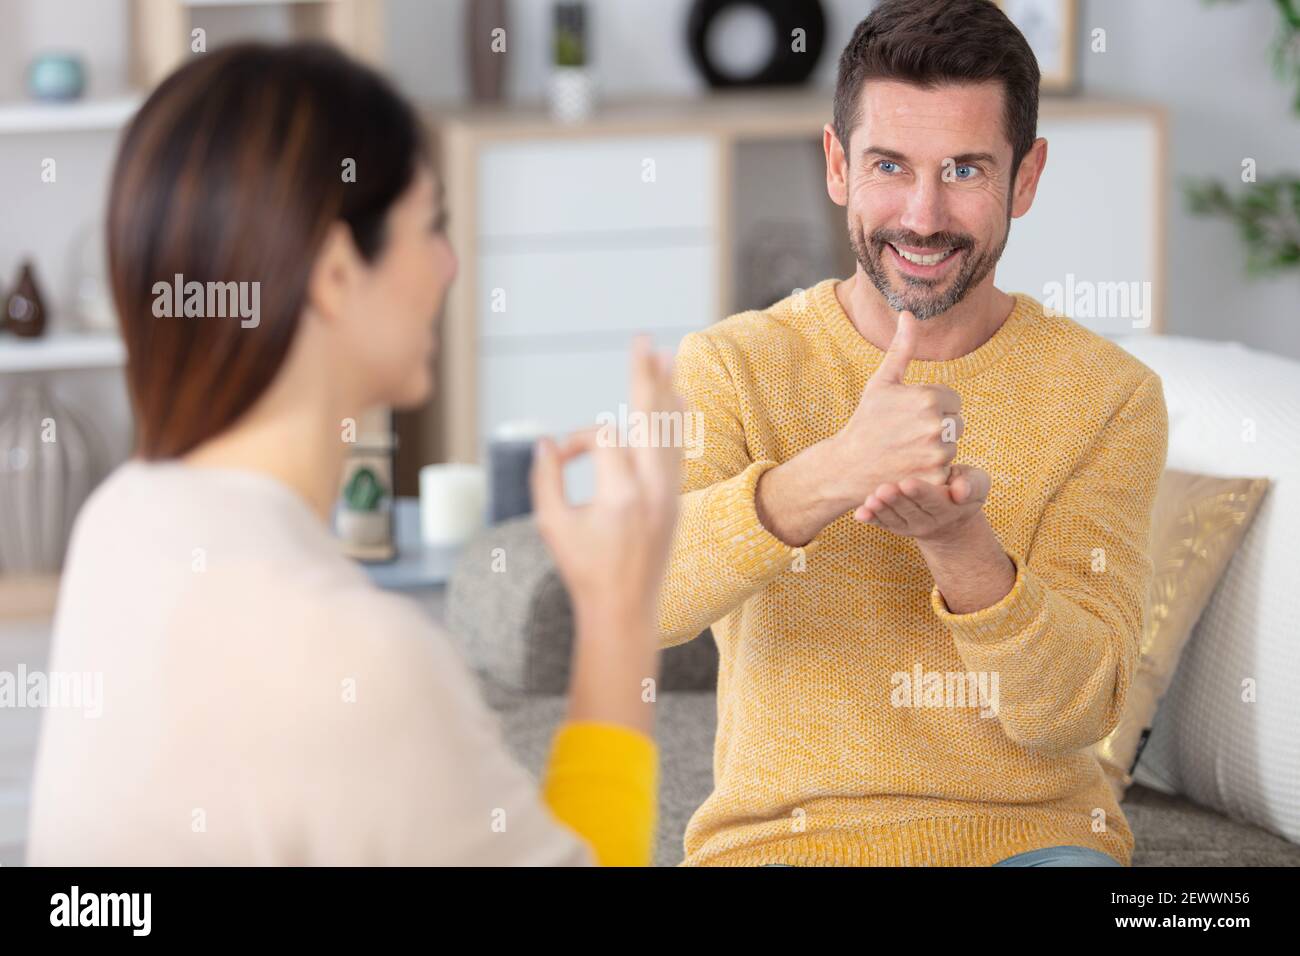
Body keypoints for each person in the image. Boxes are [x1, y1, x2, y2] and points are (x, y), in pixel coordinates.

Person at [27, 42, 682, 866]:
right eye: (431, 225)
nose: (448, 266)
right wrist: (621, 607)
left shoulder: (121, 518)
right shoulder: (360, 660)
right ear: (335, 273)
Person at [658, 0, 1166, 867]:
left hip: (1033, 842)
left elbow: (1075, 712)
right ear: (837, 164)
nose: (922, 216)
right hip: (784, 847)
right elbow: (639, 601)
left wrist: (964, 548)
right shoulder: (731, 366)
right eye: (890, 165)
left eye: (966, 170)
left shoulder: (1110, 397)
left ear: (1027, 177)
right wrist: (831, 474)